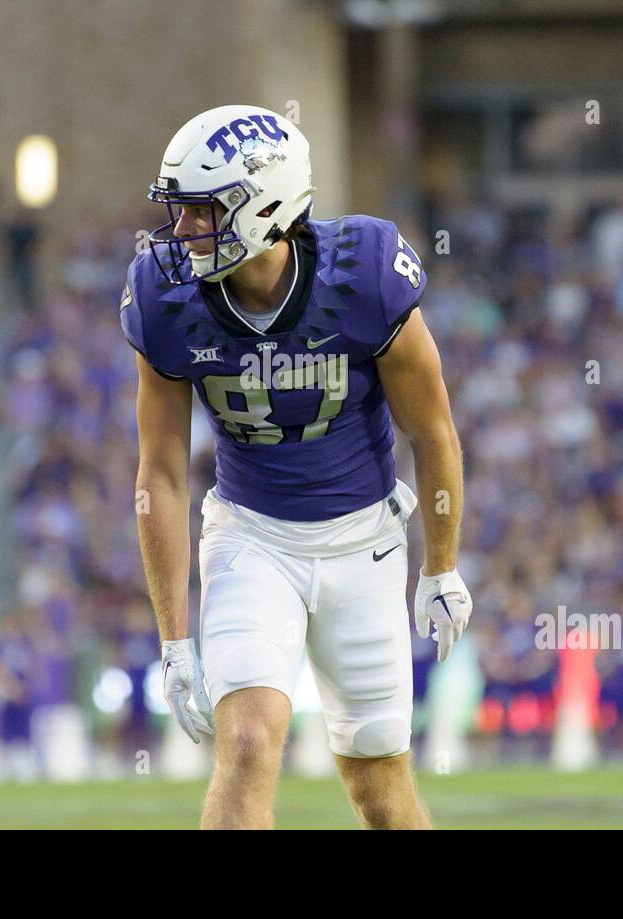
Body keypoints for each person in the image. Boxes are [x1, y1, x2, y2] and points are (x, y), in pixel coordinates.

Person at [120, 104, 471, 828]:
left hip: (363, 541)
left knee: (380, 789)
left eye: (203, 211)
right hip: (252, 536)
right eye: (179, 212)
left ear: (267, 205)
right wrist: (174, 637)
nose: (182, 231)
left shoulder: (364, 274)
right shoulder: (165, 298)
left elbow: (432, 430)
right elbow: (159, 472)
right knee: (246, 743)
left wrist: (441, 564)